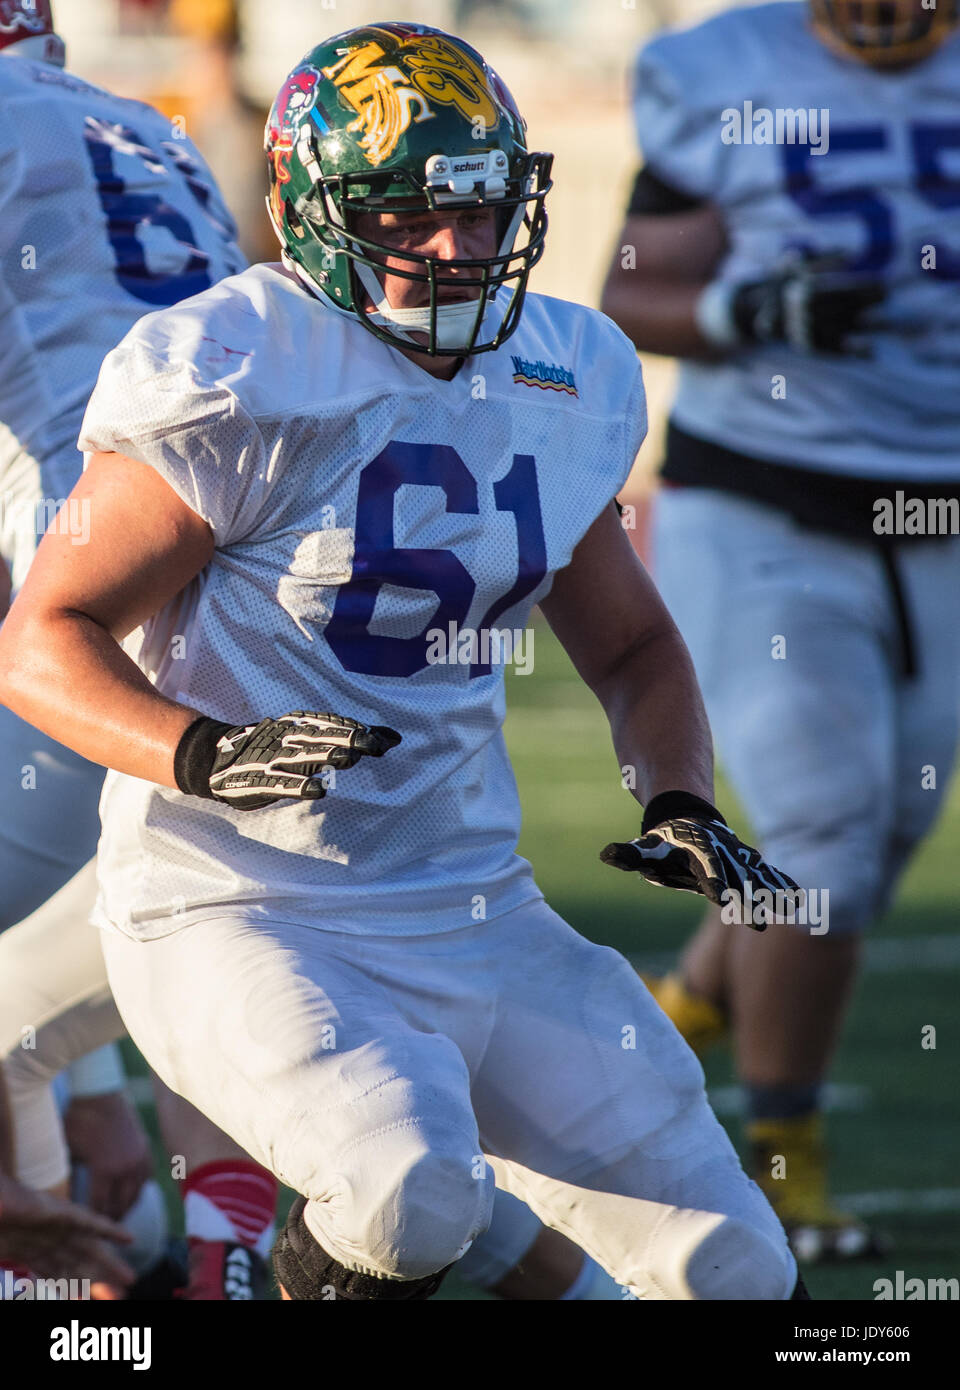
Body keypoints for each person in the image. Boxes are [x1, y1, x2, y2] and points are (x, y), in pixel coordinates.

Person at [0, 19, 806, 1301]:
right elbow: (44, 639)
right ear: (316, 214)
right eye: (405, 214)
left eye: (482, 209)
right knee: (407, 1188)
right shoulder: (237, 366)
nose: (457, 246)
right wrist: (206, 750)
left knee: (741, 1280)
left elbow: (636, 641)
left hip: (472, 902)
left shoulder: (567, 365)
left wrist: (681, 795)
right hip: (238, 904)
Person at [600, 0, 960, 1261]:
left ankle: (686, 1002)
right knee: (819, 840)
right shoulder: (723, 67)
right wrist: (757, 315)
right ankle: (781, 1160)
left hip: (942, 514)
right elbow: (630, 290)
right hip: (766, 498)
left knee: (873, 840)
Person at [0, 0, 281, 1299]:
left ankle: (48, 1261)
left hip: (93, 598)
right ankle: (205, 1263)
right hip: (262, 597)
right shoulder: (143, 130)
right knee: (197, 951)